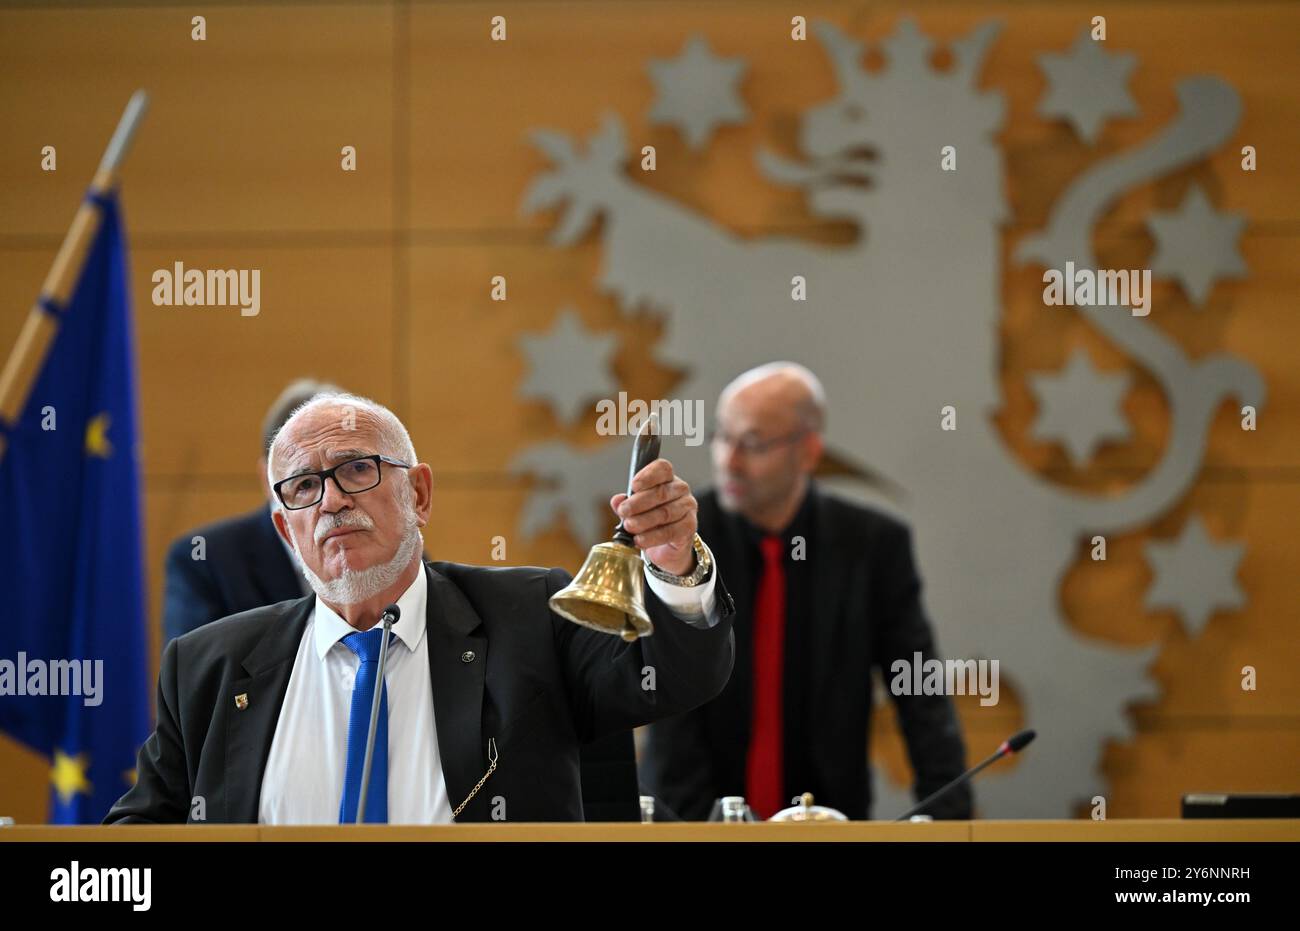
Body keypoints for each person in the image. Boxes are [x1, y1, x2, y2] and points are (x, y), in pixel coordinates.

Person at [107, 391, 734, 823]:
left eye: (356, 470)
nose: (329, 502)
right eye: (303, 487)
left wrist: (675, 562)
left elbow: (675, 677)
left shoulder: (531, 615)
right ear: (284, 528)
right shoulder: (209, 665)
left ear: (419, 493)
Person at [641, 362, 972, 820]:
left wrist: (948, 821)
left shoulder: (872, 545)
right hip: (690, 817)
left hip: (827, 815)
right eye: (722, 436)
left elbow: (920, 694)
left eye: (753, 443)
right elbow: (668, 693)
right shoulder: (681, 541)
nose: (728, 460)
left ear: (808, 451)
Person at [161, 378, 336, 645]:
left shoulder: (392, 550)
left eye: (353, 470)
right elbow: (194, 679)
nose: (332, 497)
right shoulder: (203, 560)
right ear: (268, 479)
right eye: (306, 482)